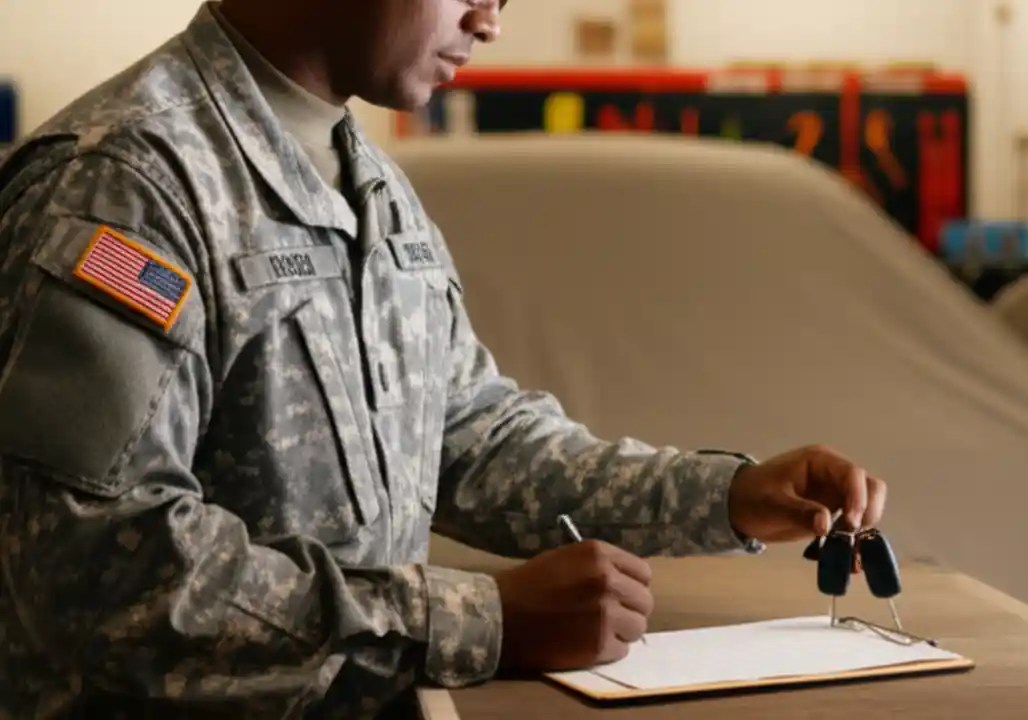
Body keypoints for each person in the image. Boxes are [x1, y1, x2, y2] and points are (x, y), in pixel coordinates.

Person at [0, 1, 888, 717]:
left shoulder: (370, 183)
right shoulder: (125, 182)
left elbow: (475, 440)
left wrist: (726, 498)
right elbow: (95, 571)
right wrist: (478, 620)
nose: (492, 20)